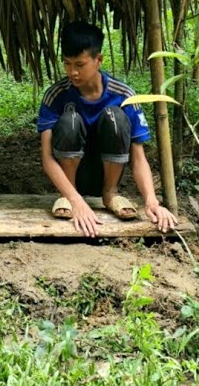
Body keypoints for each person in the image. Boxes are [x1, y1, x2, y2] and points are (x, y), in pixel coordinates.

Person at [39, 20, 177, 237]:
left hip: (108, 170)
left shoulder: (123, 95)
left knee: (116, 116)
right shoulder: (56, 95)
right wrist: (75, 201)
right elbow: (47, 158)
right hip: (70, 179)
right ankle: (68, 194)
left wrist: (151, 200)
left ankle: (110, 193)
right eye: (67, 64)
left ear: (98, 60)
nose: (72, 72)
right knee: (70, 120)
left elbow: (138, 157)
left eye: (80, 64)